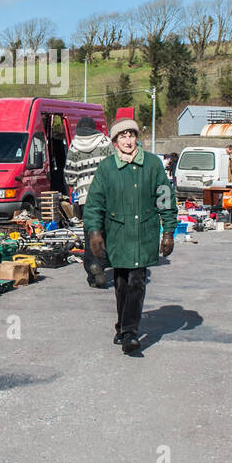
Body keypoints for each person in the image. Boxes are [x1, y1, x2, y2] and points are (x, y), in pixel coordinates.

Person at [83, 117, 177, 356]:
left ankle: (130, 333)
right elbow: (94, 204)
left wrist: (168, 231)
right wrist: (94, 232)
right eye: (122, 136)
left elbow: (165, 199)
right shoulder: (106, 168)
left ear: (136, 138)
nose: (127, 140)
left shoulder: (153, 165)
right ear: (115, 142)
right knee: (122, 283)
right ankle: (122, 324)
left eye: (131, 135)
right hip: (117, 234)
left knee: (136, 281)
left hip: (144, 233)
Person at [64, 116, 113, 219]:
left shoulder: (73, 147)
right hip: (107, 196)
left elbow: (70, 177)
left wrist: (78, 186)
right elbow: (115, 167)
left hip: (85, 199)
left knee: (90, 231)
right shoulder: (106, 142)